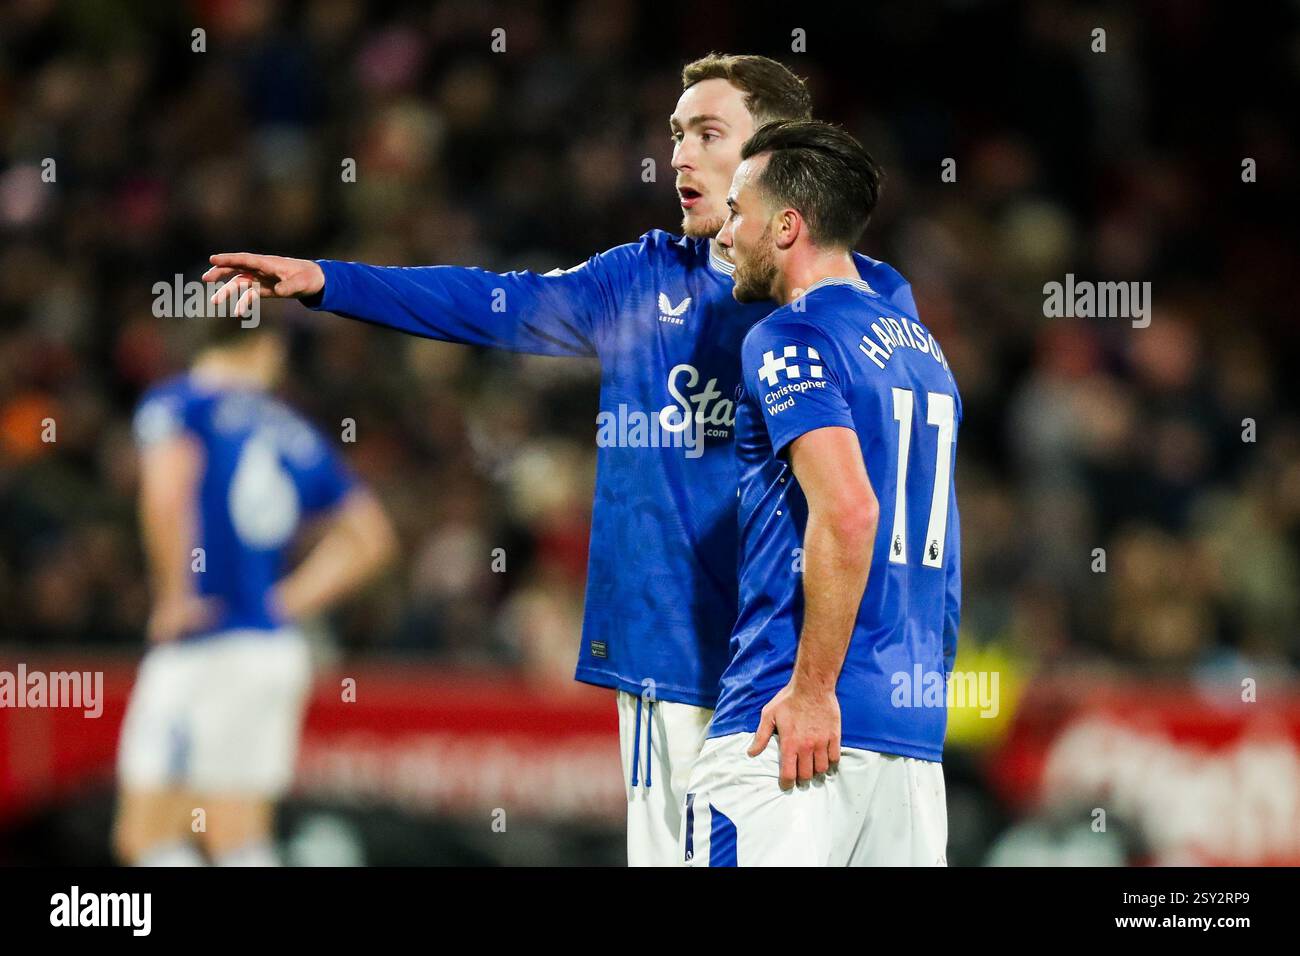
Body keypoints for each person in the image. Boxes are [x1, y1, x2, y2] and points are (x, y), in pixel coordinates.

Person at [202, 55, 915, 866]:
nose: (679, 156)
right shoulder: (638, 281)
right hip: (675, 664)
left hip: (810, 666)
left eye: (708, 134)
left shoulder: (866, 300)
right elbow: (491, 303)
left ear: (774, 155)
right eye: (676, 134)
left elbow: (878, 496)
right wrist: (328, 281)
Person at [684, 120, 959, 866]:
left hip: (792, 723)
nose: (724, 235)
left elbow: (850, 509)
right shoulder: (925, 352)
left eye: (737, 212)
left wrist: (811, 689)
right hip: (907, 737)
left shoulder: (789, 337)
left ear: (786, 226)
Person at [114, 320, 396, 866]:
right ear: (266, 347)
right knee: (237, 835)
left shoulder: (179, 404)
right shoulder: (293, 430)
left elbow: (167, 492)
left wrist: (174, 594)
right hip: (271, 648)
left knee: (146, 836)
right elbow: (371, 538)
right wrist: (282, 603)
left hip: (207, 639)